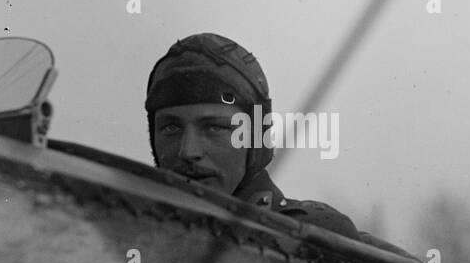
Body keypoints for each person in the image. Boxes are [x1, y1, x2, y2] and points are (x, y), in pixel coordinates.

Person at [145, 32, 401, 247]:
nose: (187, 151)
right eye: (170, 128)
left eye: (214, 128)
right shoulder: (131, 234)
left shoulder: (309, 238)